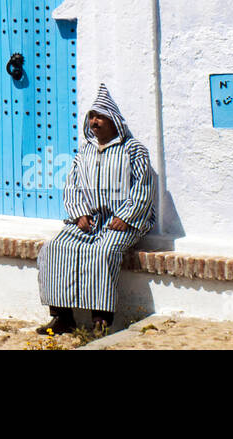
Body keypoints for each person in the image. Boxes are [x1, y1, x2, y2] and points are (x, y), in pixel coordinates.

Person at [34, 83, 156, 335]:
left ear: (114, 121)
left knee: (102, 253)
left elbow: (143, 187)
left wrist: (125, 216)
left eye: (100, 116)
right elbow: (72, 185)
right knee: (55, 248)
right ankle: (62, 316)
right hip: (88, 220)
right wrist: (79, 214)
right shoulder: (85, 151)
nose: (95, 122)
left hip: (122, 221)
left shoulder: (133, 150)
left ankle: (100, 321)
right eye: (91, 116)